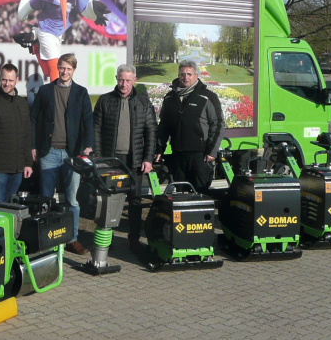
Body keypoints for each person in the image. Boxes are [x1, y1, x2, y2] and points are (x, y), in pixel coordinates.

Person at [30, 53, 94, 254]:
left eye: (69, 68)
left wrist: (88, 145)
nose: (65, 72)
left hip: (71, 154)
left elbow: (88, 122)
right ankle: (48, 240)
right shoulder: (45, 91)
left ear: (74, 70)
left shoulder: (81, 93)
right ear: (57, 68)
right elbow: (33, 120)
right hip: (48, 153)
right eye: (62, 67)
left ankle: (72, 239)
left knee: (72, 200)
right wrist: (33, 146)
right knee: (46, 199)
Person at [93, 64, 157, 253]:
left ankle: (134, 239)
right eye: (121, 79)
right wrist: (98, 157)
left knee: (135, 201)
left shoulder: (144, 102)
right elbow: (95, 129)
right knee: (109, 201)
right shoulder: (105, 100)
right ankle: (107, 239)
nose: (124, 84)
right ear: (116, 78)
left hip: (134, 161)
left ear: (134, 80)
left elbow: (151, 132)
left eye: (128, 80)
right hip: (111, 161)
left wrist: (148, 159)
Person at [14, 0, 110, 82]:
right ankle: (55, 95)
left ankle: (36, 45)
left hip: (59, 33)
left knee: (47, 71)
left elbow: (85, 9)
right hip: (46, 29)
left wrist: (94, 11)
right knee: (55, 68)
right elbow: (25, 9)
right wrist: (25, 0)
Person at [155, 60, 224, 193]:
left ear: (196, 75)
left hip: (200, 155)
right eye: (182, 74)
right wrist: (160, 147)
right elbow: (163, 126)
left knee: (200, 193)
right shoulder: (169, 98)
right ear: (178, 75)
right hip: (178, 155)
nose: (185, 77)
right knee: (181, 194)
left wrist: (211, 150)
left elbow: (218, 124)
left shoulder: (208, 97)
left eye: (189, 74)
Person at [0, 63, 33, 206]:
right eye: (4, 80)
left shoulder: (22, 103)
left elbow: (27, 135)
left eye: (10, 80)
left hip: (17, 169)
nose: (7, 83)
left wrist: (28, 163)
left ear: (17, 80)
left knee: (10, 207)